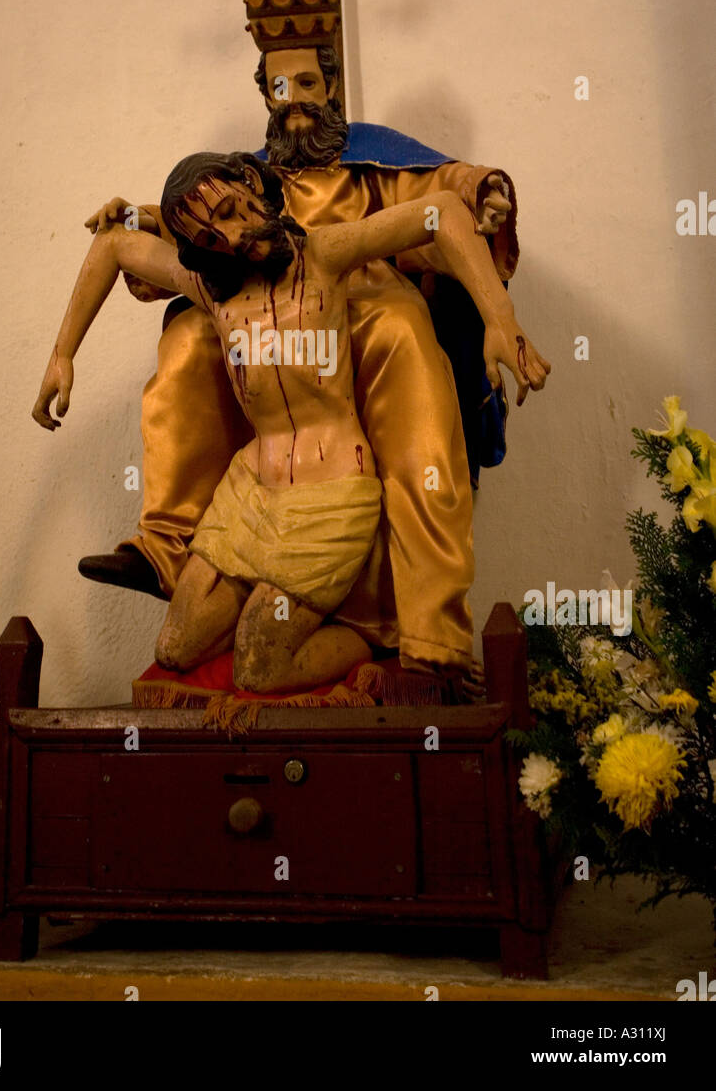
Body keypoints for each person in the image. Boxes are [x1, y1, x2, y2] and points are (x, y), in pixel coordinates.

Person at [32, 151, 549, 694]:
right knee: (174, 648)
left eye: (232, 210)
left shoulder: (324, 255)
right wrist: (62, 355)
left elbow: (440, 210)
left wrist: (500, 318)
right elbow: (115, 244)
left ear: (254, 184)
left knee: (260, 666)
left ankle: (377, 638)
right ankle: (187, 557)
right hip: (248, 495)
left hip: (328, 498)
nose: (232, 238)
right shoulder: (212, 287)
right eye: (209, 238)